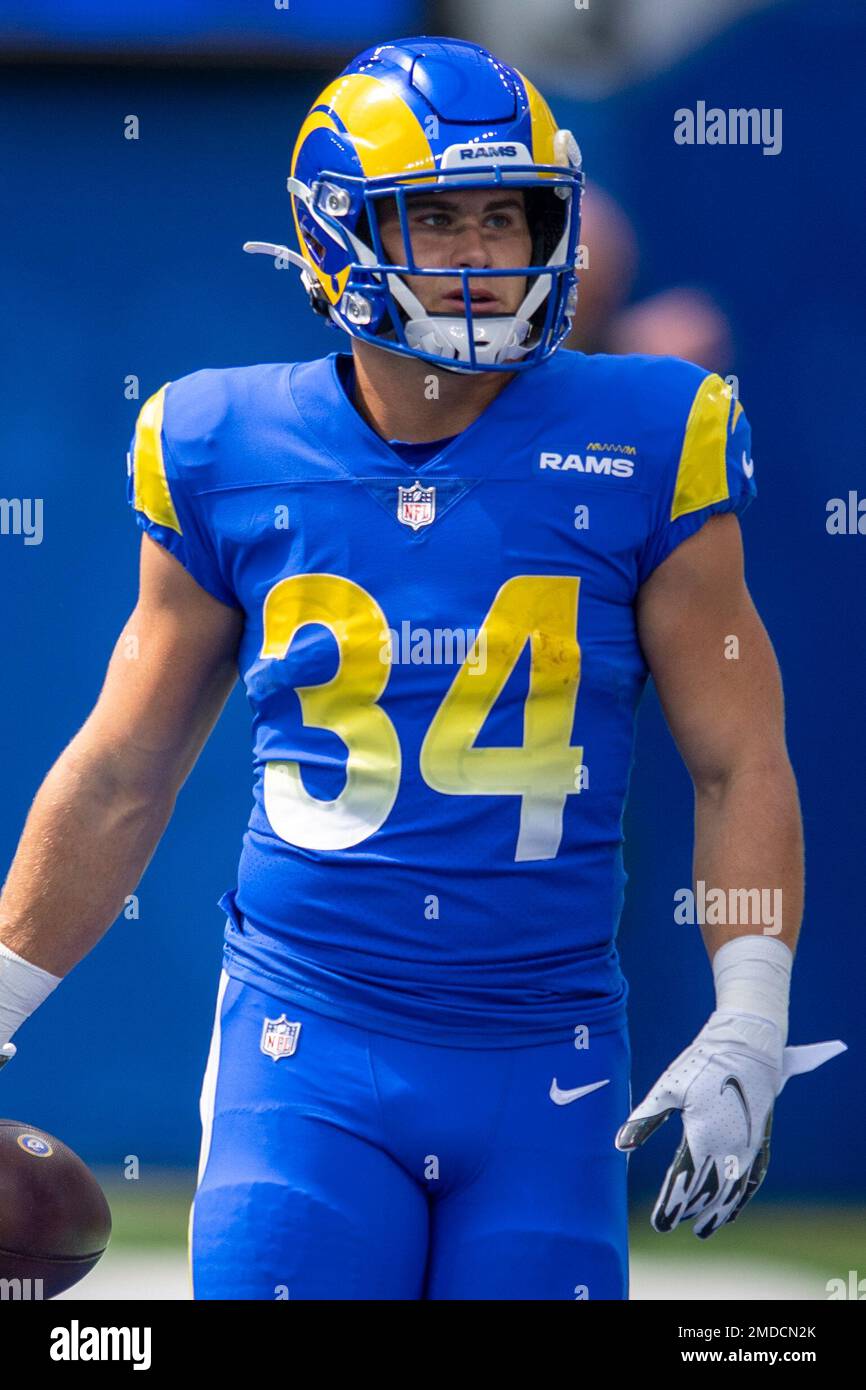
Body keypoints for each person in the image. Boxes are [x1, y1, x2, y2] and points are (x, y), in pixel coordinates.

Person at [0, 36, 844, 1301]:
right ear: (334, 233)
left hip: (547, 1056)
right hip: (305, 1046)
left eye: (505, 216)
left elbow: (735, 759)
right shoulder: (221, 439)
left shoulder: (652, 433)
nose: (479, 253)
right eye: (433, 216)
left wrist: (748, 1010)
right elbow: (124, 764)